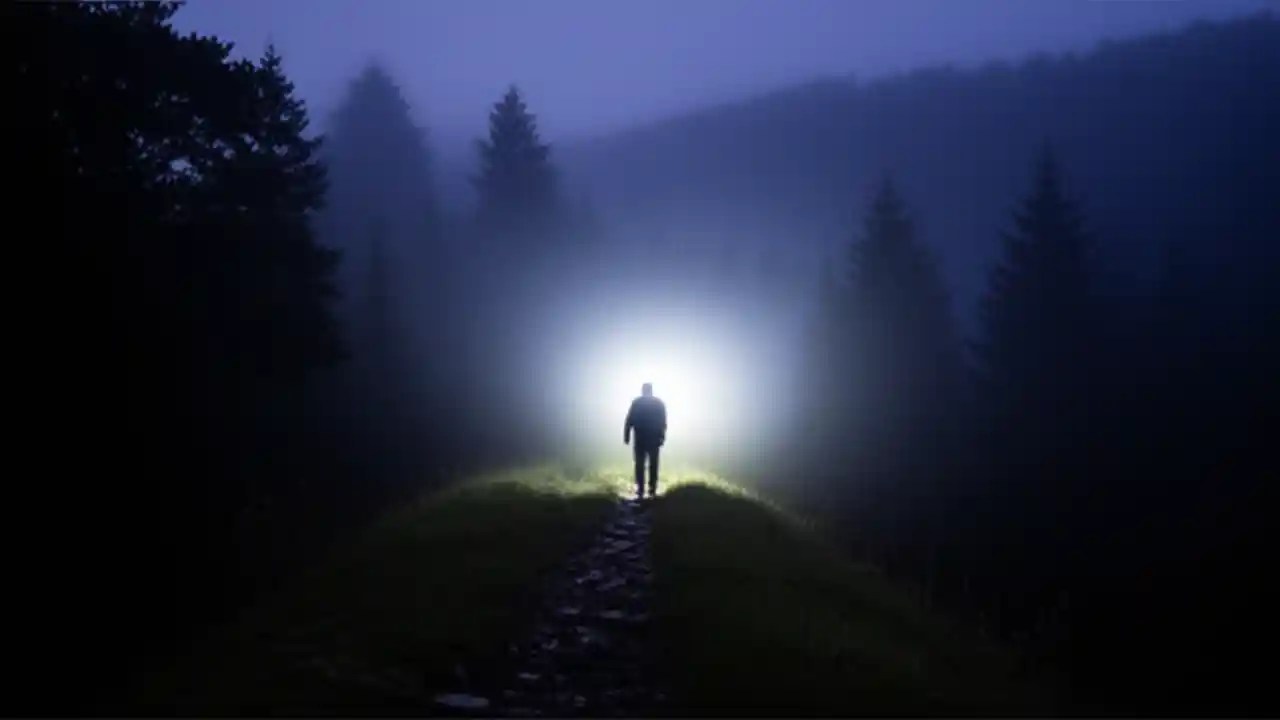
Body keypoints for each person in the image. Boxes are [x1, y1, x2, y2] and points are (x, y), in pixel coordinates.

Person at [624, 382, 666, 499]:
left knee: (640, 465)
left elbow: (629, 419)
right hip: (652, 438)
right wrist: (662, 436)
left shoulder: (637, 403)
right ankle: (650, 490)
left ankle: (641, 490)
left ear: (643, 390)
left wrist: (626, 435)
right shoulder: (658, 403)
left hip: (641, 437)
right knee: (652, 465)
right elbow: (663, 422)